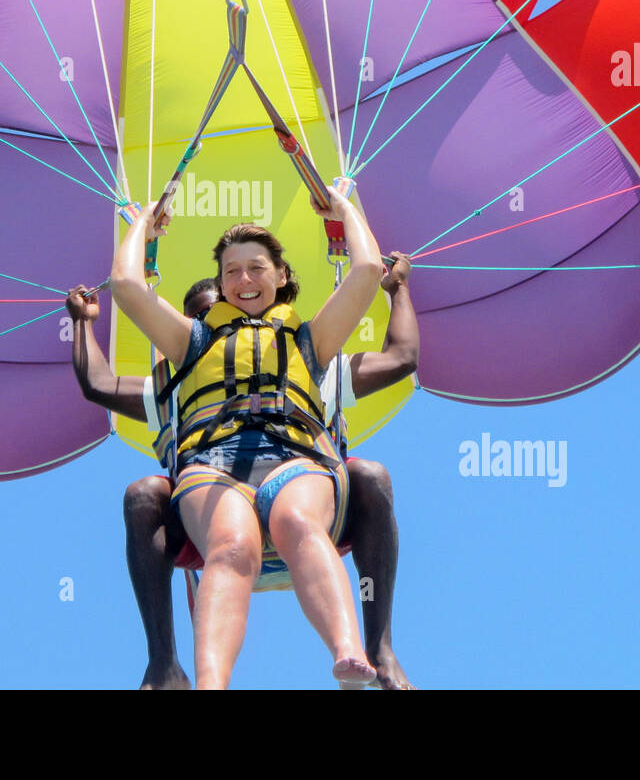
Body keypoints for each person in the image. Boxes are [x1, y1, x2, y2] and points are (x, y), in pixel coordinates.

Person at [68, 252, 418, 690]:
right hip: (212, 522)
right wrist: (82, 322)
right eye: (205, 320)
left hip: (306, 506)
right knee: (142, 494)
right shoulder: (175, 388)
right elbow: (98, 385)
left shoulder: (305, 364)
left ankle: (379, 647)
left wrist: (397, 289)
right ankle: (163, 663)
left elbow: (402, 357)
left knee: (370, 475)